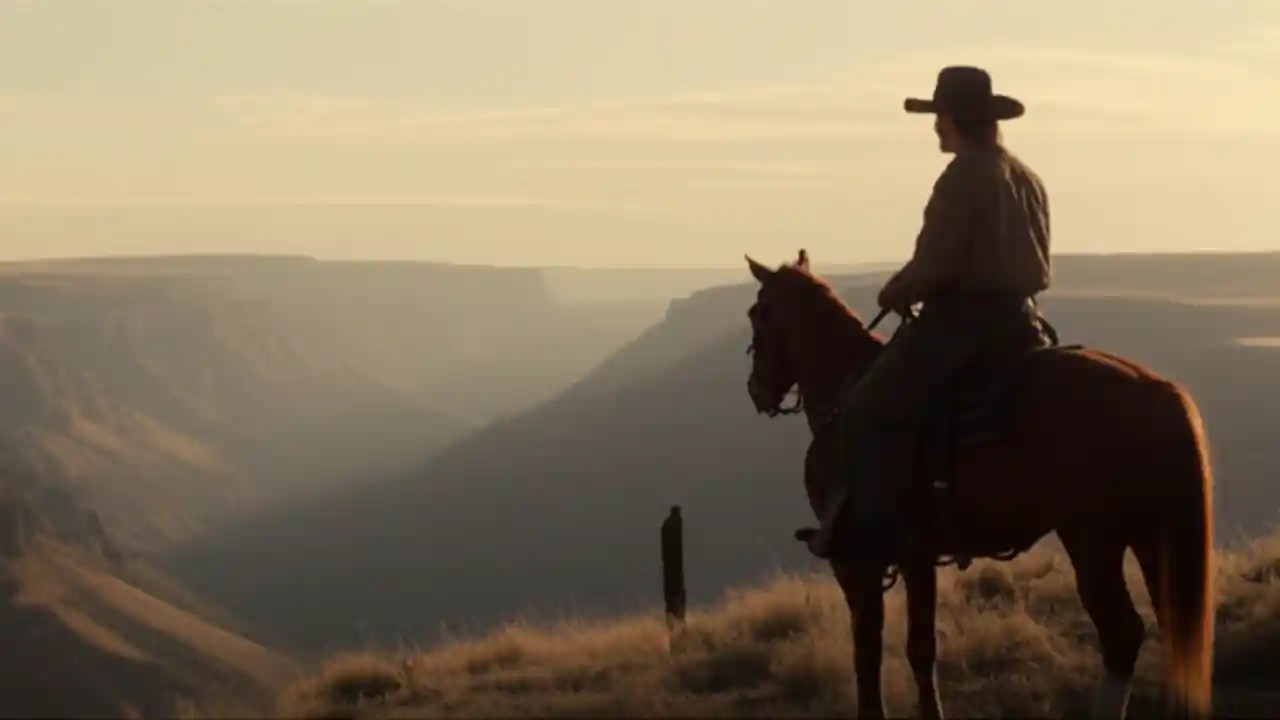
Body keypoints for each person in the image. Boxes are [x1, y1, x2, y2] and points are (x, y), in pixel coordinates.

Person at [805, 66, 1052, 567]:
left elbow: (937, 261)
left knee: (866, 406)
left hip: (963, 324)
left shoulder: (962, 175)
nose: (936, 127)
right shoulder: (1027, 177)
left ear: (954, 120)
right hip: (1022, 323)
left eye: (939, 117)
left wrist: (896, 291)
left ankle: (882, 532)